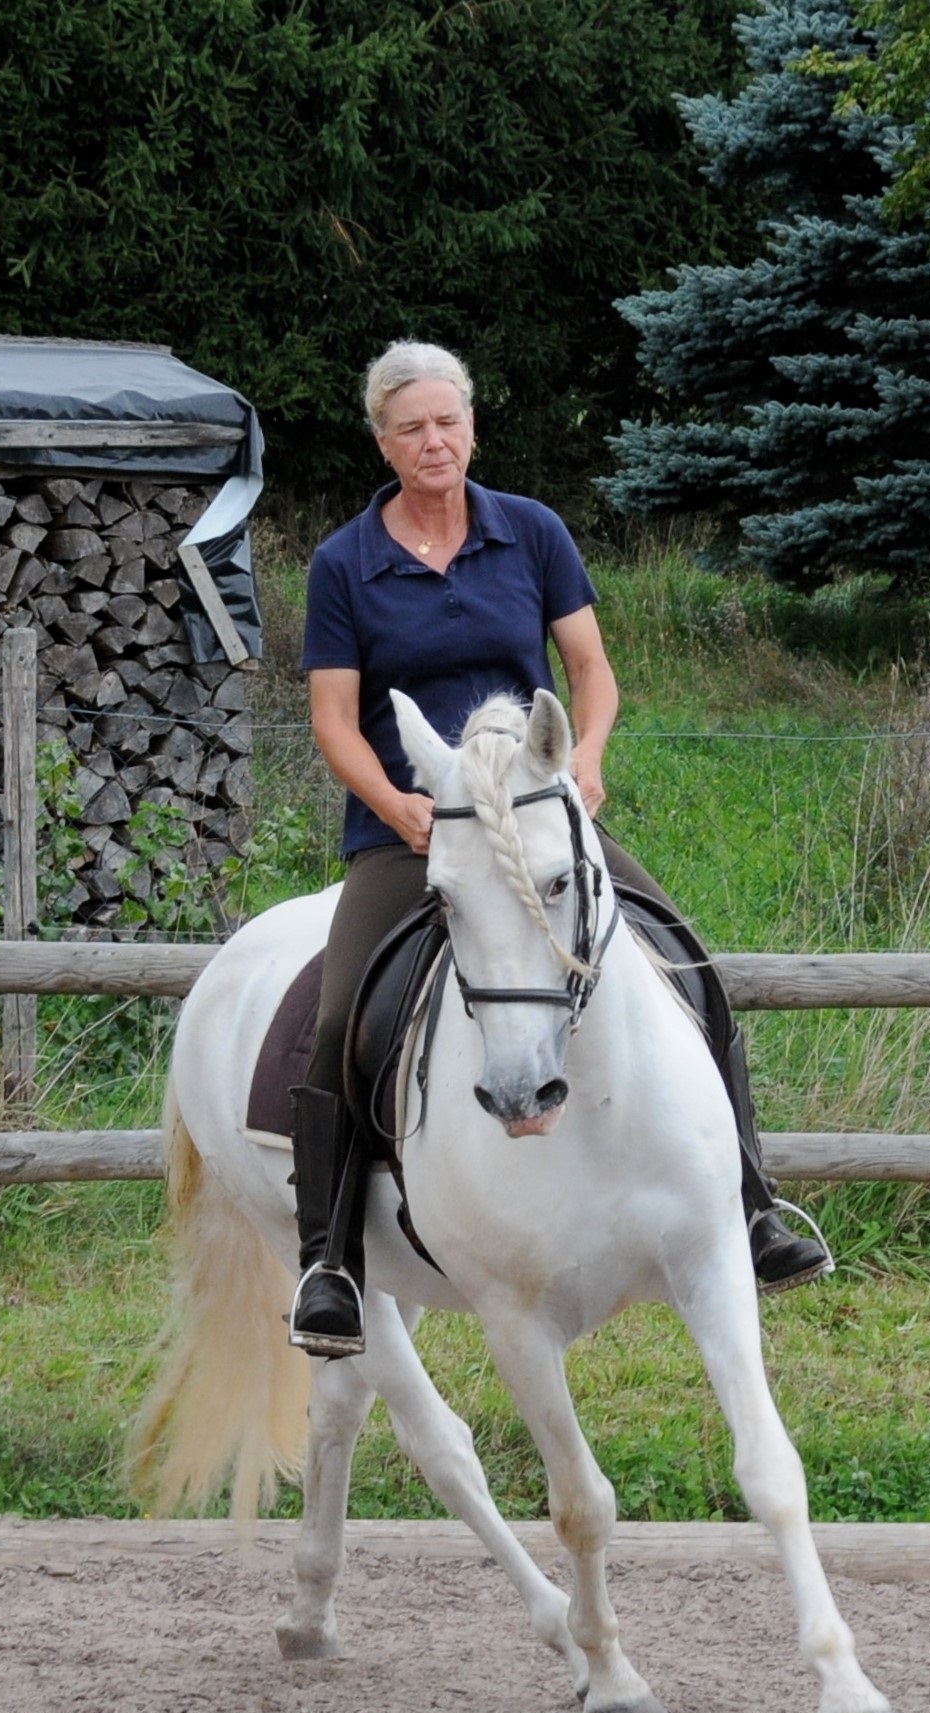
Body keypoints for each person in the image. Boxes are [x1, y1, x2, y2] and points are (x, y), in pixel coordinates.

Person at [288, 341, 830, 1357]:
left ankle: (755, 1204)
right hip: (421, 831)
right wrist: (397, 806)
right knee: (337, 1016)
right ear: (383, 442)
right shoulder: (342, 562)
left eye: (447, 421)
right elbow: (333, 720)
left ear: (471, 427)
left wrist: (586, 758)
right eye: (411, 428)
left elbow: (591, 669)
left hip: (540, 819)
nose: (433, 440)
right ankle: (332, 1264)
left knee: (689, 962)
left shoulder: (530, 531)